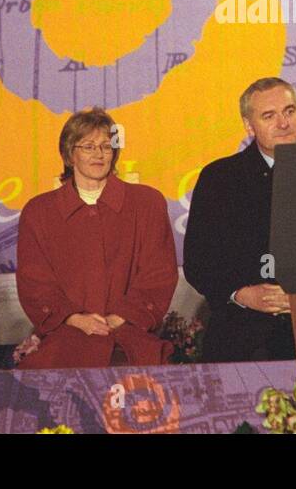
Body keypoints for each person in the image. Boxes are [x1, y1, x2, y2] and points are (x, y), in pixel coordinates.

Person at [16, 108, 178, 368]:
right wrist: (75, 319)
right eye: (88, 146)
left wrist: (119, 317)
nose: (99, 154)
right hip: (66, 337)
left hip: (130, 334)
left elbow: (158, 273)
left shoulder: (147, 203)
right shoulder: (39, 212)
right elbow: (35, 282)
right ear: (70, 154)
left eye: (106, 146)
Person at [184, 78, 296, 362]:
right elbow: (198, 263)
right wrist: (243, 294)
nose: (283, 123)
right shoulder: (220, 179)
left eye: (289, 111)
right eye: (268, 116)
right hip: (243, 333)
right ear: (249, 126)